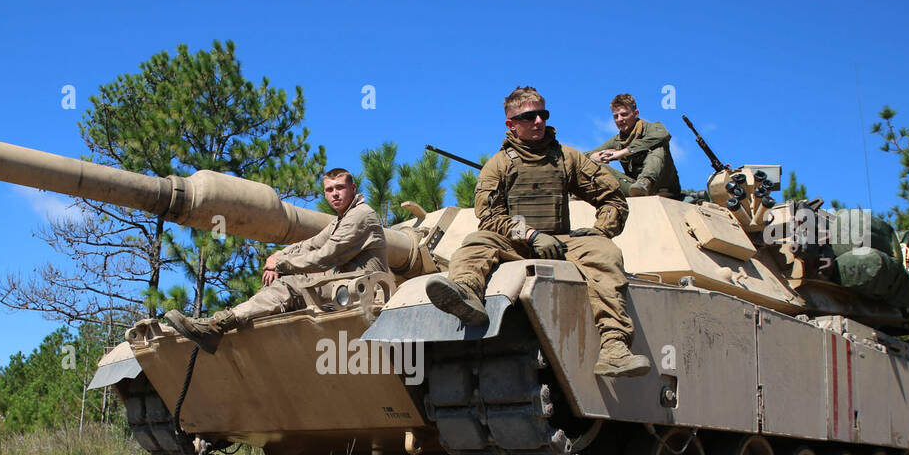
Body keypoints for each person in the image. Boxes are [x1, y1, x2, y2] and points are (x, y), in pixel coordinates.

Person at [426, 86, 650, 378]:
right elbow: (490, 216)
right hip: (515, 242)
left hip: (563, 242)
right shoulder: (499, 165)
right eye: (529, 116)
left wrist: (599, 231)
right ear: (511, 124)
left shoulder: (568, 158)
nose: (538, 121)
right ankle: (467, 294)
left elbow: (612, 198)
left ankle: (614, 348)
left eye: (542, 114)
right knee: (476, 243)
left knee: (606, 254)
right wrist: (530, 235)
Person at [163, 168, 387, 353]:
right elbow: (310, 244)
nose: (335, 194)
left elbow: (326, 255)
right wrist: (278, 256)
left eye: (340, 188)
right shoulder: (341, 220)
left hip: (362, 288)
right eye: (329, 189)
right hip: (343, 286)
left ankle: (220, 324)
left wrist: (280, 265)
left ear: (353, 189)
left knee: (290, 285)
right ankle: (225, 323)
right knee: (283, 283)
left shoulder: (360, 215)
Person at [589, 93, 681, 198]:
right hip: (635, 189)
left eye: (624, 114)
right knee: (595, 166)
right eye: (616, 116)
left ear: (636, 113)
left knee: (657, 146)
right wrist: (594, 157)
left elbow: (663, 135)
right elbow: (582, 157)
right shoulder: (617, 141)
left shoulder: (653, 128)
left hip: (665, 187)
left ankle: (645, 181)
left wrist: (622, 153)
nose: (619, 119)